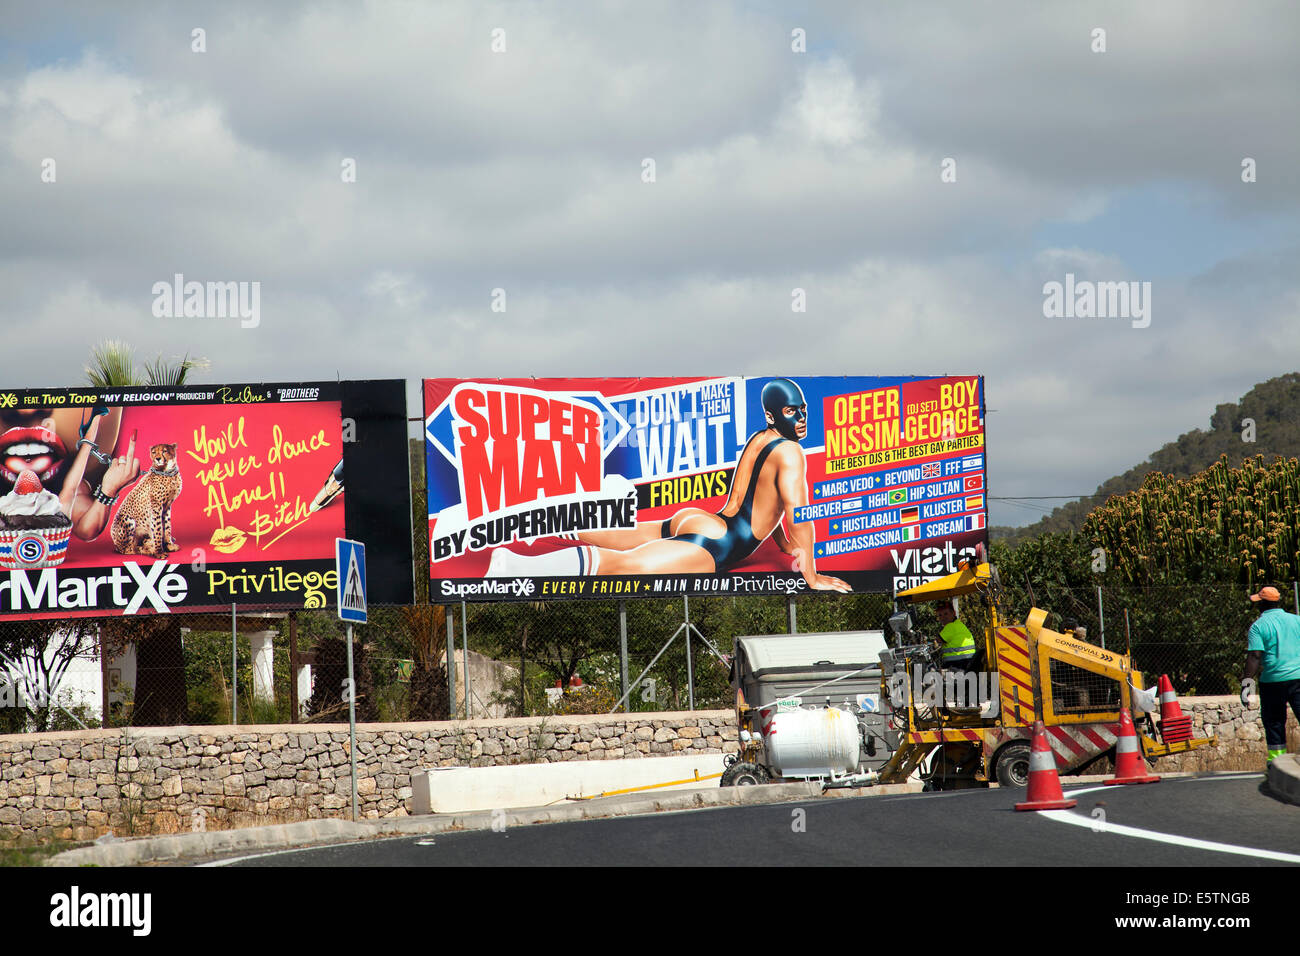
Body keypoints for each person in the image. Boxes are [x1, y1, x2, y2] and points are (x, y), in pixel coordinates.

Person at [487, 378, 850, 592]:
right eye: (792, 412)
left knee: (621, 533)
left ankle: (543, 524)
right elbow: (798, 512)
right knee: (624, 565)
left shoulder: (762, 437)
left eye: (803, 409)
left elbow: (763, 502)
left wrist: (784, 543)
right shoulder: (791, 452)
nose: (802, 418)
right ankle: (511, 565)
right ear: (773, 415)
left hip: (704, 521)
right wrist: (812, 575)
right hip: (718, 543)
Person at [1242, 585, 1300, 765]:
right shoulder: (1296, 620)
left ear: (1263, 605)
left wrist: (1247, 684)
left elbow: (1255, 656)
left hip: (1273, 681)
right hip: (1298, 677)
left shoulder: (1258, 626)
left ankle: (1277, 759)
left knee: (1274, 721)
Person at [935, 600, 979, 672]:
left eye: (946, 613)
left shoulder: (950, 627)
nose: (943, 617)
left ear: (954, 613)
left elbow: (937, 641)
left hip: (957, 665)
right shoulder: (959, 624)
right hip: (967, 663)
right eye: (940, 615)